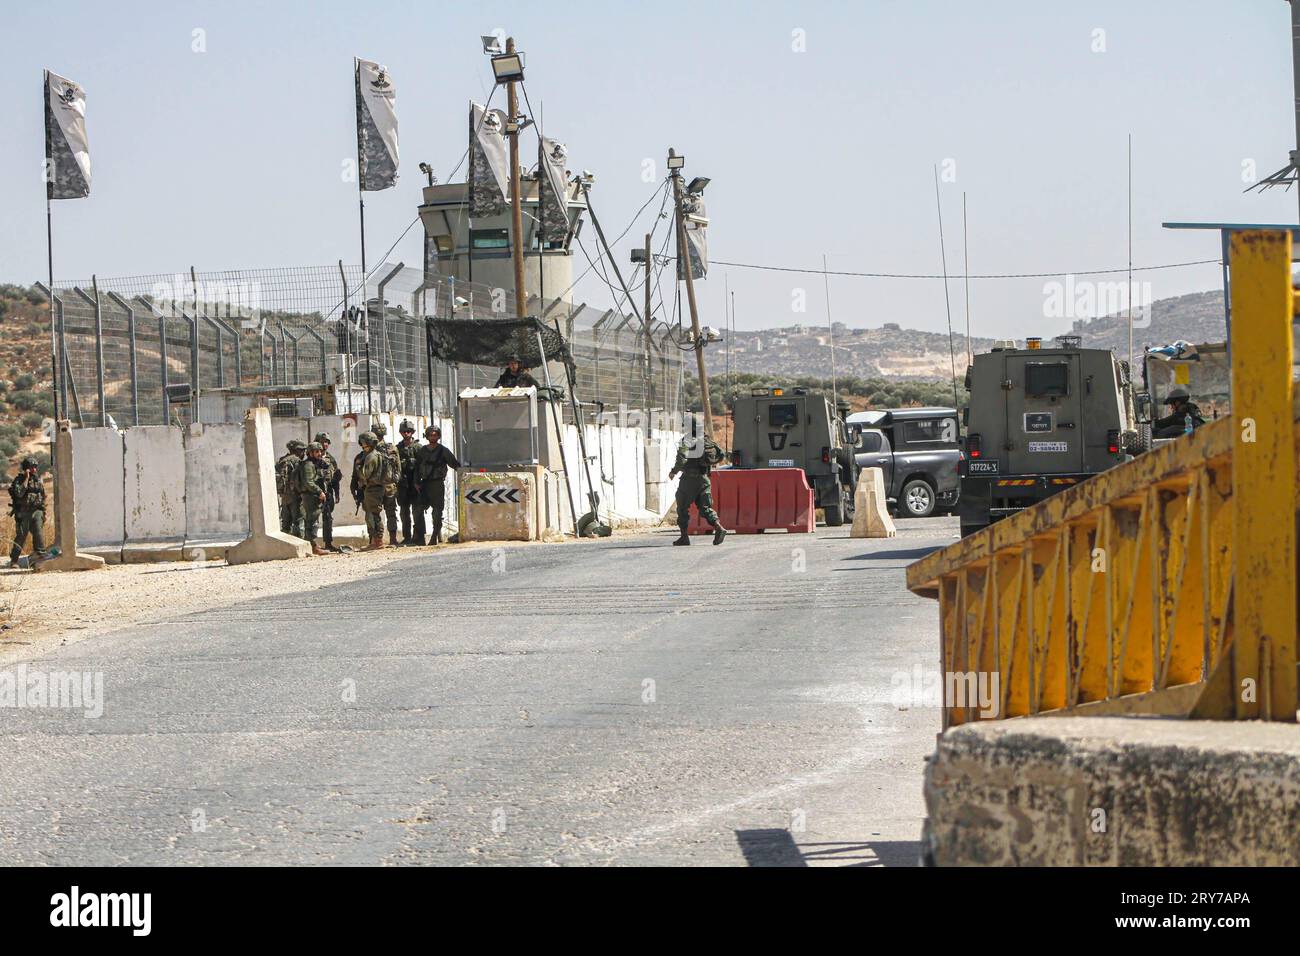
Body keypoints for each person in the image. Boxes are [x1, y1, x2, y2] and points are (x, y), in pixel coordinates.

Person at [668, 434, 728, 546]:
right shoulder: (707, 440)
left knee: (682, 508)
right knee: (705, 508)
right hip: (704, 479)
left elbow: (681, 459)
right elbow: (722, 454)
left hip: (689, 480)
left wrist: (674, 471)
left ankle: (684, 537)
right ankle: (719, 527)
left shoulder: (687, 440)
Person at [415, 424, 460, 545]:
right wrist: (416, 482)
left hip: (437, 484)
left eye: (435, 435)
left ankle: (434, 536)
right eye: (430, 434)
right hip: (424, 484)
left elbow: (454, 464)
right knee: (418, 510)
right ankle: (420, 537)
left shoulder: (443, 450)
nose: (433, 436)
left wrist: (463, 475)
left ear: (438, 436)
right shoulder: (422, 451)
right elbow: (416, 467)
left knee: (437, 512)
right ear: (427, 436)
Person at [8, 457, 46, 567]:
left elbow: (42, 496)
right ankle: (14, 560)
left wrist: (43, 512)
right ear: (26, 468)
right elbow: (19, 493)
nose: (34, 469)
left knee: (38, 534)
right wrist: (26, 478)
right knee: (21, 536)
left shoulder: (38, 480)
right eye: (31, 467)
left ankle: (40, 556)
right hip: (23, 512)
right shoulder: (19, 480)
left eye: (35, 467)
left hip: (36, 511)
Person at [295, 442, 330, 556]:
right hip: (310, 496)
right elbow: (308, 482)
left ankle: (311, 544)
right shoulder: (308, 465)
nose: (319, 453)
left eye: (320, 451)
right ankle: (314, 546)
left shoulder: (314, 463)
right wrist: (319, 491)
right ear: (310, 453)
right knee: (312, 521)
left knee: (311, 520)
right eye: (316, 451)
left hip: (312, 495)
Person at [356, 431, 389, 551]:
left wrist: (358, 467)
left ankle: (377, 541)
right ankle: (377, 541)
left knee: (373, 515)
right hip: (377, 487)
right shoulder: (378, 454)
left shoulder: (371, 456)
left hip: (372, 489)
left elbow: (365, 475)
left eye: (363, 443)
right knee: (374, 514)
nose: (362, 445)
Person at [371, 422, 401, 546]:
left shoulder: (371, 449)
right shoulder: (392, 448)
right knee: (391, 513)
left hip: (375, 486)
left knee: (375, 513)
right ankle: (392, 539)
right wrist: (395, 481)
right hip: (389, 485)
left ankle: (378, 540)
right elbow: (398, 468)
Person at [396, 419, 424, 545]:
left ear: (412, 432)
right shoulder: (397, 449)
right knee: (404, 512)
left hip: (416, 484)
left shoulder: (418, 448)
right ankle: (407, 537)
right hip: (403, 485)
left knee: (417, 511)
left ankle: (419, 536)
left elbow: (423, 466)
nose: (406, 433)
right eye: (404, 431)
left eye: (408, 431)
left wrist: (420, 482)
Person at [314, 432, 342, 552]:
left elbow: (335, 477)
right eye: (322, 441)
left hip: (328, 492)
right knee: (313, 519)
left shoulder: (331, 459)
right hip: (315, 493)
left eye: (327, 442)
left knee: (328, 518)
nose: (325, 444)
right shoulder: (312, 458)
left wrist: (337, 493)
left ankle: (328, 543)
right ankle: (312, 544)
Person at [276, 439, 307, 538]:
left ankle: (285, 546)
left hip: (284, 497)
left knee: (285, 525)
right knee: (298, 523)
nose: (304, 452)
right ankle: (300, 544)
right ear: (296, 450)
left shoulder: (282, 460)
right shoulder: (297, 461)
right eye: (302, 450)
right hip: (295, 497)